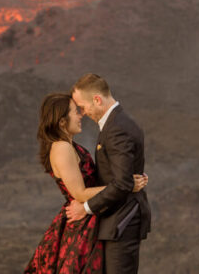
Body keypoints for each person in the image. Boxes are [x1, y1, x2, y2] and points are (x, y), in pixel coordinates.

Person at [25, 92, 148, 273]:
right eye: (75, 112)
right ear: (62, 121)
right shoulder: (62, 148)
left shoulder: (70, 145)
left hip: (89, 217)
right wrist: (126, 186)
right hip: (81, 223)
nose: (80, 115)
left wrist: (128, 175)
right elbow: (80, 194)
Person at [65, 74, 151, 274]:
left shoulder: (117, 129)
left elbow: (121, 183)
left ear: (97, 99)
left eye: (83, 107)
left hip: (121, 221)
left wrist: (85, 208)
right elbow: (124, 178)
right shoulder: (119, 122)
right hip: (115, 220)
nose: (83, 113)